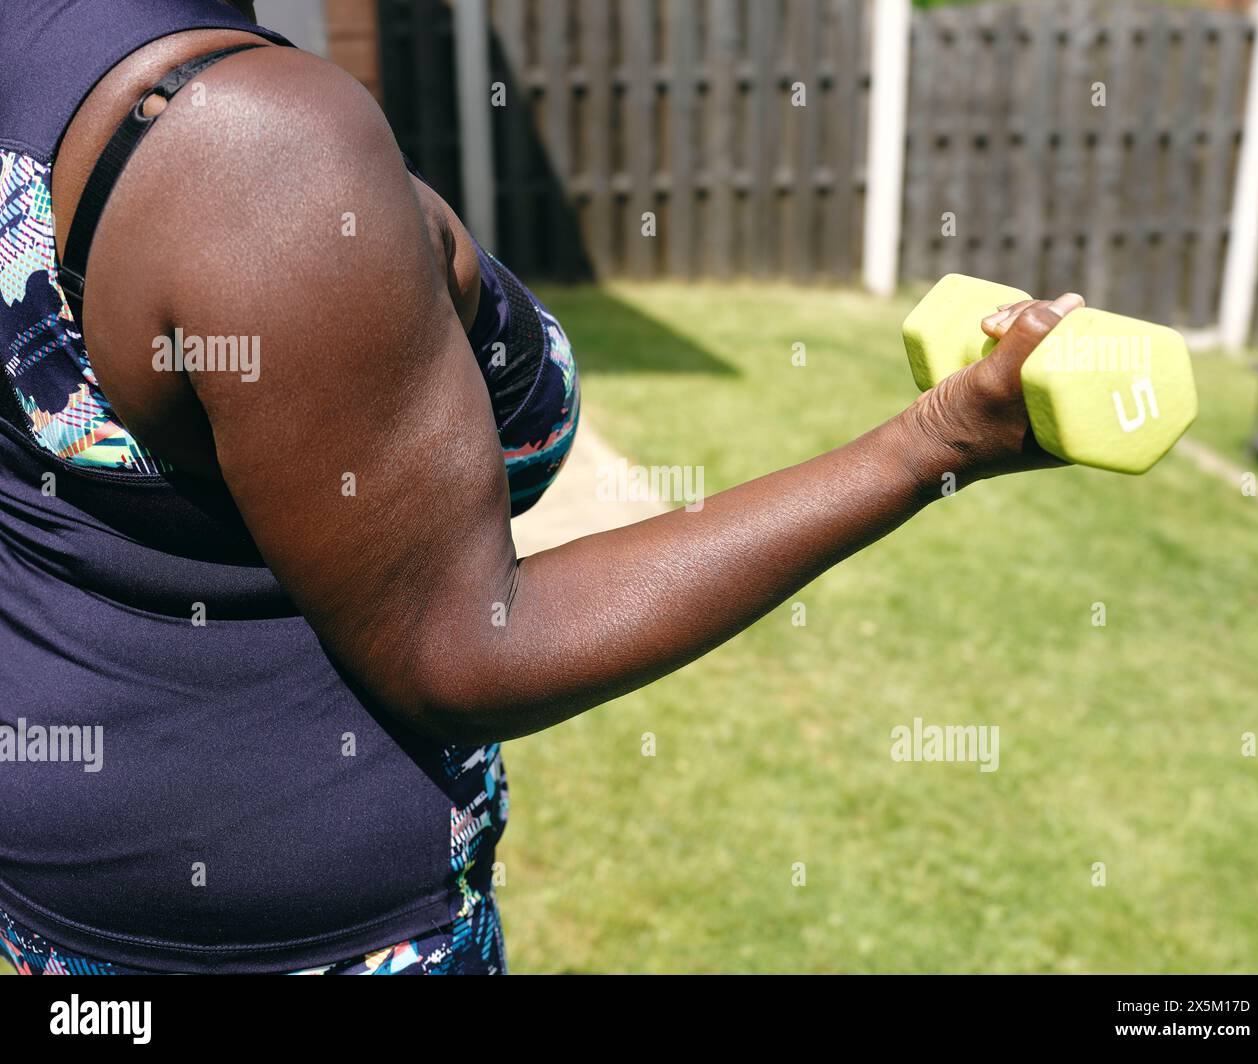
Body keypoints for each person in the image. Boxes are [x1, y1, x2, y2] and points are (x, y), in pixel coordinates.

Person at [0, 0, 1081, 975]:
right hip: (319, 939)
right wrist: (929, 443)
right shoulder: (254, 147)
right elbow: (470, 644)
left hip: (60, 901)